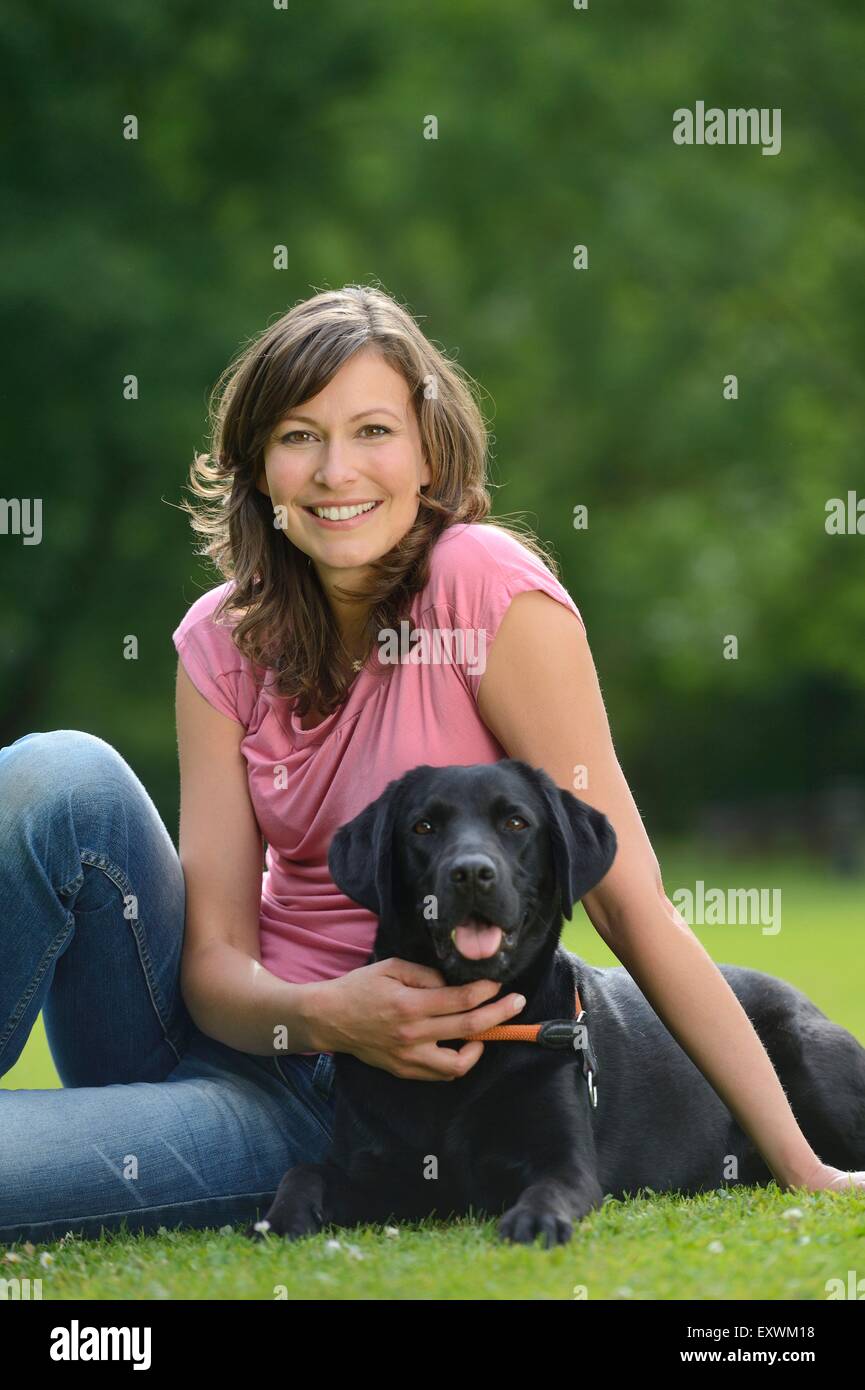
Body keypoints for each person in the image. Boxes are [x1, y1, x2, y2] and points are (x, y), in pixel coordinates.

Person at [0, 286, 860, 1245]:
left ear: (427, 451)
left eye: (372, 429)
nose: (335, 471)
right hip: (257, 1037)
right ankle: (138, 1129)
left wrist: (800, 1160)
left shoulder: (482, 588)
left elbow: (629, 904)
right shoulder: (219, 638)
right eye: (297, 435)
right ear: (258, 467)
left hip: (353, 1112)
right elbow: (212, 966)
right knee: (59, 772)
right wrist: (326, 1014)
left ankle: (133, 1139)